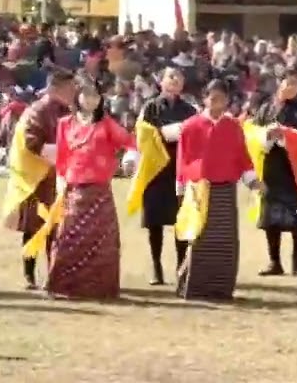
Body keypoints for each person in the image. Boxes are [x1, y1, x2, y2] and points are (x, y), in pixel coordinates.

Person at [45, 78, 136, 300]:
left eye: (95, 95)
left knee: (102, 242)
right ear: (78, 97)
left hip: (100, 191)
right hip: (74, 188)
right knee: (68, 238)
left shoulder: (106, 124)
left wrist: (130, 159)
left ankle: (100, 288)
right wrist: (60, 181)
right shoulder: (65, 123)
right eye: (87, 95)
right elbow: (62, 155)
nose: (91, 99)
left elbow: (130, 141)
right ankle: (64, 286)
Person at [176, 79, 264, 301]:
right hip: (199, 190)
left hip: (226, 190)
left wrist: (253, 181)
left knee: (224, 242)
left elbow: (242, 157)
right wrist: (181, 187)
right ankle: (193, 286)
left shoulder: (233, 126)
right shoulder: (190, 126)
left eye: (222, 98)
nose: (217, 102)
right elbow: (182, 159)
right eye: (212, 97)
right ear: (204, 98)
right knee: (199, 241)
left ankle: (221, 288)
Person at [3, 70, 76, 289]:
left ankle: (55, 274)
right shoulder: (38, 110)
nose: (73, 92)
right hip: (38, 178)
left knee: (58, 229)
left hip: (60, 177)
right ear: (55, 88)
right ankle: (29, 274)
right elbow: (31, 141)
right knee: (34, 228)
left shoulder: (69, 111)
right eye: (69, 88)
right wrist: (63, 153)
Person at [131, 68, 197, 285]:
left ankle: (182, 266)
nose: (175, 80)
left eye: (179, 77)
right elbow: (141, 134)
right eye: (171, 76)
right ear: (161, 82)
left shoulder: (189, 109)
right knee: (155, 222)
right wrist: (164, 133)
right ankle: (156, 267)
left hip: (180, 169)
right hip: (156, 169)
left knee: (181, 219)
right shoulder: (150, 106)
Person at [249, 70, 297, 277]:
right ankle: (274, 261)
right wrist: (266, 135)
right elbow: (252, 134)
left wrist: (285, 135)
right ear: (280, 83)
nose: (293, 88)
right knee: (270, 218)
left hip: (293, 167)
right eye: (290, 83)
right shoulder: (266, 107)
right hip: (270, 166)